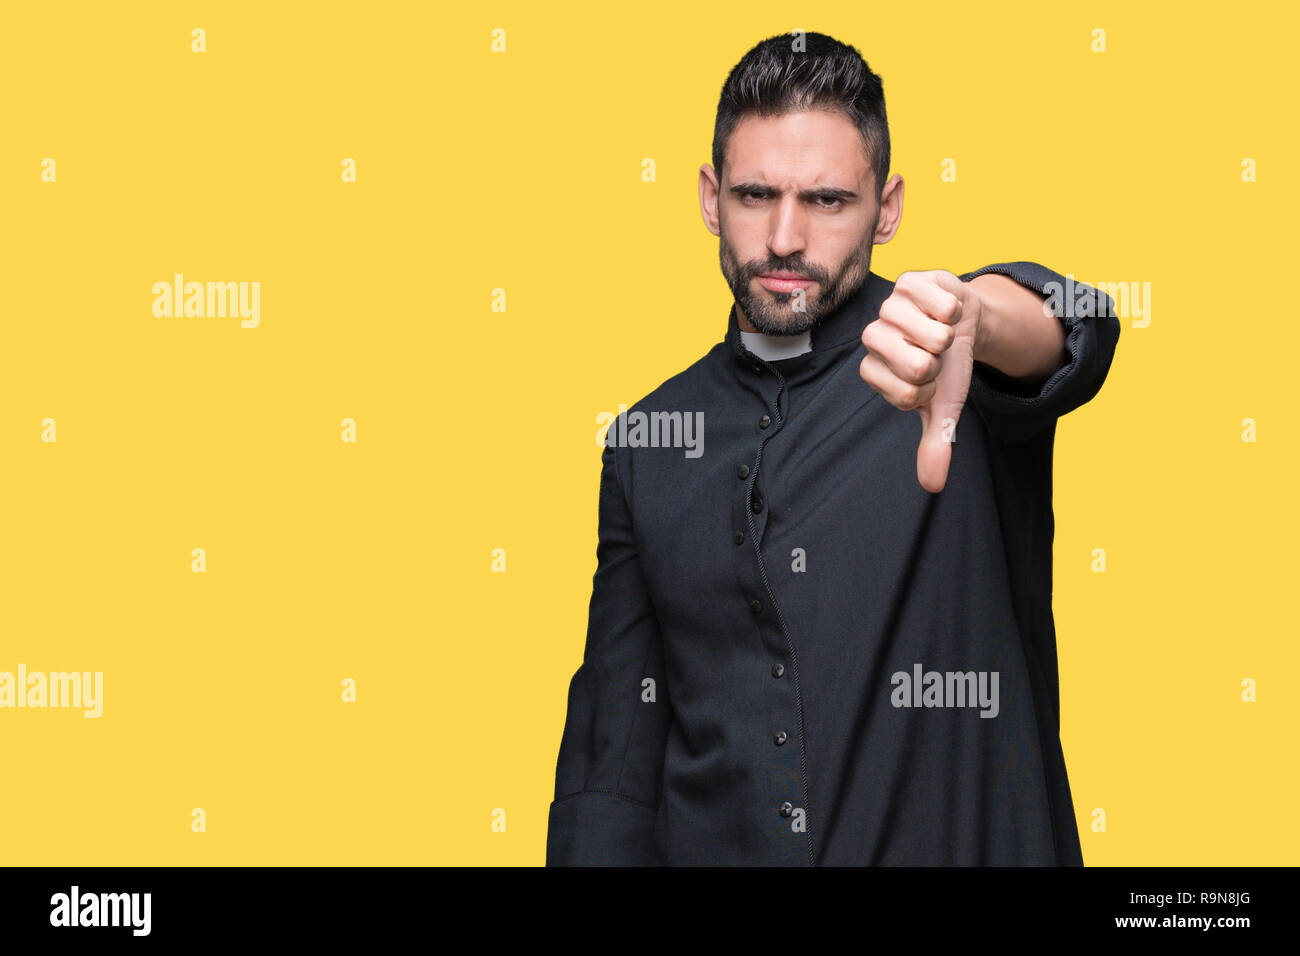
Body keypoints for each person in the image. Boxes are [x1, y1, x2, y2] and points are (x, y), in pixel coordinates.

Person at [546, 31, 1120, 865]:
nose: (783, 238)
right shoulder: (646, 441)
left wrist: (981, 320)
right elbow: (614, 762)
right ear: (710, 198)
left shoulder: (944, 366)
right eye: (754, 195)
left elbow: (1075, 325)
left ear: (886, 209)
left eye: (826, 201)